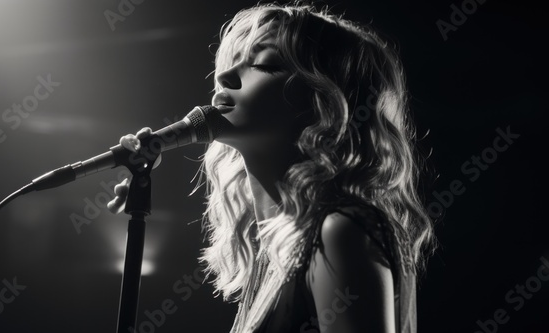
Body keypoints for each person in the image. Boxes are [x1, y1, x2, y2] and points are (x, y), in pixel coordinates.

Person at [106, 3, 436, 333]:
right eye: (230, 61)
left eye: (265, 64)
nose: (223, 76)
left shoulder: (341, 230)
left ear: (325, 104)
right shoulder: (274, 252)